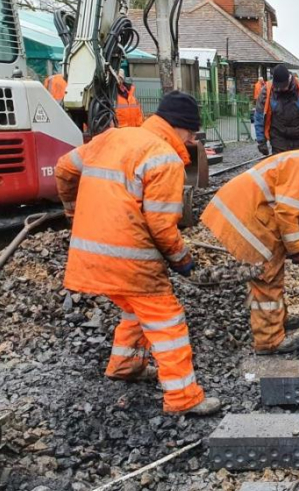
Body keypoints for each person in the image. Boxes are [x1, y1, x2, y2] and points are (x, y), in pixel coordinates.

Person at [54, 92, 220, 416]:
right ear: (183, 129)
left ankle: (125, 364)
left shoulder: (111, 138)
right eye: (192, 134)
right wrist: (182, 260)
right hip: (130, 259)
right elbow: (161, 227)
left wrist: (73, 214)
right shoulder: (164, 158)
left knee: (134, 308)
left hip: (88, 256)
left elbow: (63, 169)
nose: (191, 141)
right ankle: (183, 398)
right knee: (167, 320)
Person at [201, 138, 299, 354]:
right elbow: (287, 213)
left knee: (273, 271)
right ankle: (269, 341)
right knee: (266, 277)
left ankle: (278, 320)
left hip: (253, 213)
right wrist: (297, 250)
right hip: (247, 217)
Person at [255, 64, 299, 156]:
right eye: (278, 86)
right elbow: (259, 117)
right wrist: (261, 141)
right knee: (281, 169)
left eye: (283, 86)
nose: (281, 89)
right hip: (278, 140)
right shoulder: (266, 91)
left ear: (289, 79)